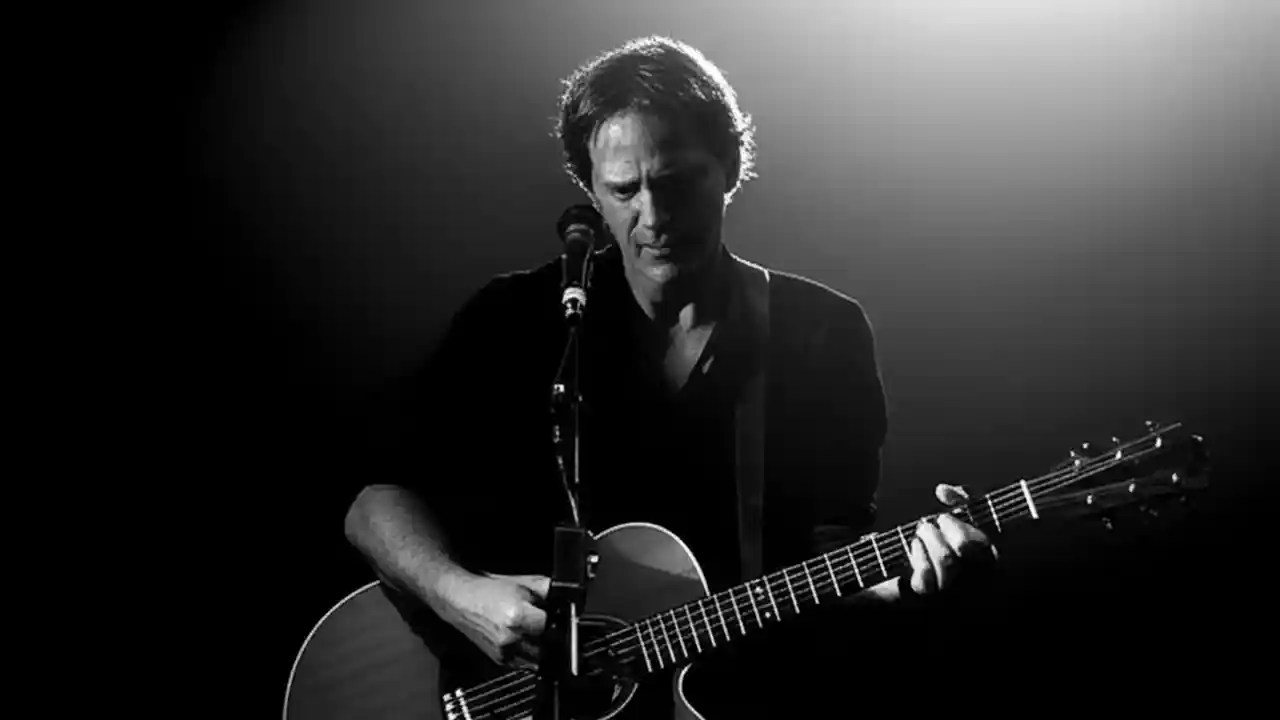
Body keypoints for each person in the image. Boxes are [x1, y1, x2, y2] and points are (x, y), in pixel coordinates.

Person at [345, 35, 997, 717]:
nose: (652, 217)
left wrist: (918, 581)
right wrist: (460, 598)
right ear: (590, 192)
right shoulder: (514, 317)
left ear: (730, 169)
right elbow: (372, 505)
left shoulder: (821, 334)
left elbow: (829, 571)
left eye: (677, 182)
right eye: (623, 191)